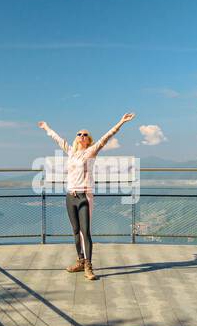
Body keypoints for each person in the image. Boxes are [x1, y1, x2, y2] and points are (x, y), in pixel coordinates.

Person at [38, 112, 135, 280]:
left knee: (85, 232)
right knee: (75, 231)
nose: (82, 136)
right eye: (79, 134)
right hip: (70, 196)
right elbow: (57, 139)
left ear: (88, 140)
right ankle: (80, 261)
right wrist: (46, 127)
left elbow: (107, 136)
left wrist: (121, 122)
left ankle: (89, 267)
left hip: (84, 196)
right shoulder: (70, 152)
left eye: (85, 135)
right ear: (76, 138)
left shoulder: (91, 152)